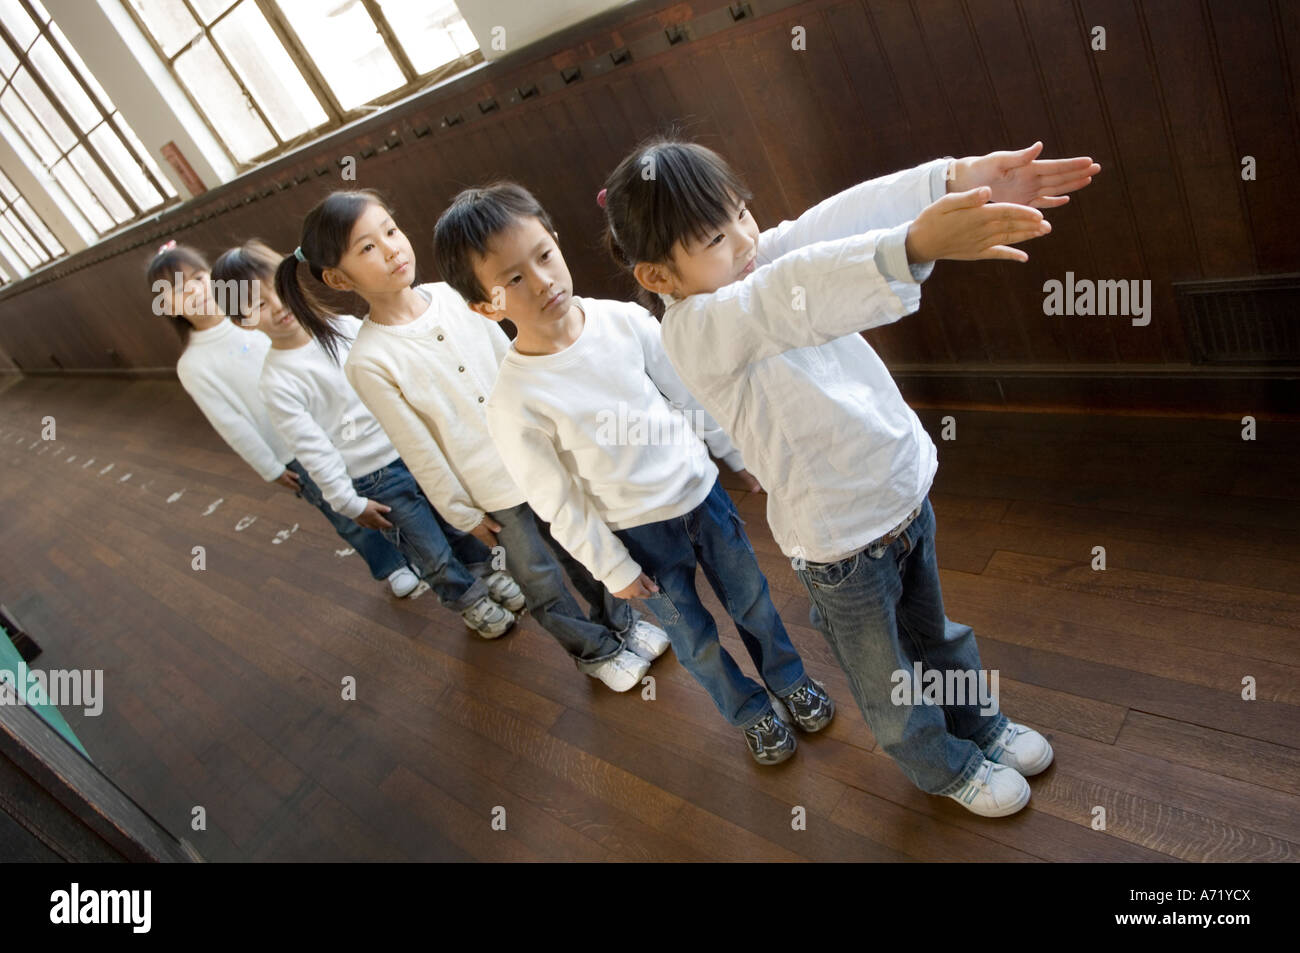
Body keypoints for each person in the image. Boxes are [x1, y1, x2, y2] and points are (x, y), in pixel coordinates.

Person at [599, 138, 1100, 815]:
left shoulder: (746, 261)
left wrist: (954, 178)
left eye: (743, 211)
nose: (747, 236)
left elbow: (834, 221)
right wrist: (913, 245)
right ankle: (945, 767)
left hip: (901, 500)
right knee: (889, 679)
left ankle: (977, 724)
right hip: (841, 551)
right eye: (718, 233)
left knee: (939, 636)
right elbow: (786, 295)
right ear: (659, 277)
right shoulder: (697, 327)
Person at [435, 181, 835, 764]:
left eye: (544, 255)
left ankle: (789, 678)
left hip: (704, 500)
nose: (543, 280)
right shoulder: (513, 402)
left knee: (754, 604)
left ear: (556, 242)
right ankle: (749, 713)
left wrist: (737, 454)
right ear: (485, 305)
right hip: (638, 540)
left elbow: (691, 395)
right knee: (694, 639)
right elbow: (558, 502)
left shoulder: (624, 320)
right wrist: (610, 567)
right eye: (514, 279)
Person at [273, 194, 669, 692]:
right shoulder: (368, 359)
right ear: (338, 278)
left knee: (587, 544)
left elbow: (516, 361)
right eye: (368, 248)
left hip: (542, 456)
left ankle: (624, 622)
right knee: (541, 581)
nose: (392, 249)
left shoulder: (454, 294)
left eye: (391, 231)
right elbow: (418, 446)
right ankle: (595, 650)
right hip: (492, 490)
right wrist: (461, 514)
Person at [211, 239, 524, 639]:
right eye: (255, 304)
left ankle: (490, 578)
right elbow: (312, 448)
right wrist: (346, 501)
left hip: (416, 450)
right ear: (241, 322)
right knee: (430, 550)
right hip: (376, 481)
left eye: (277, 288)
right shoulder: (276, 381)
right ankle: (471, 601)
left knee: (460, 522)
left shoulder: (346, 327)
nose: (277, 306)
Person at [146, 240, 419, 598]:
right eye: (179, 290)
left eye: (198, 277)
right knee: (341, 511)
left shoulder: (256, 313)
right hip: (291, 449)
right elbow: (230, 423)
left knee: (377, 486)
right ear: (165, 306)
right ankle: (391, 565)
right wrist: (270, 467)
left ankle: (420, 545)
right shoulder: (193, 364)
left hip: (332, 422)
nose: (195, 290)